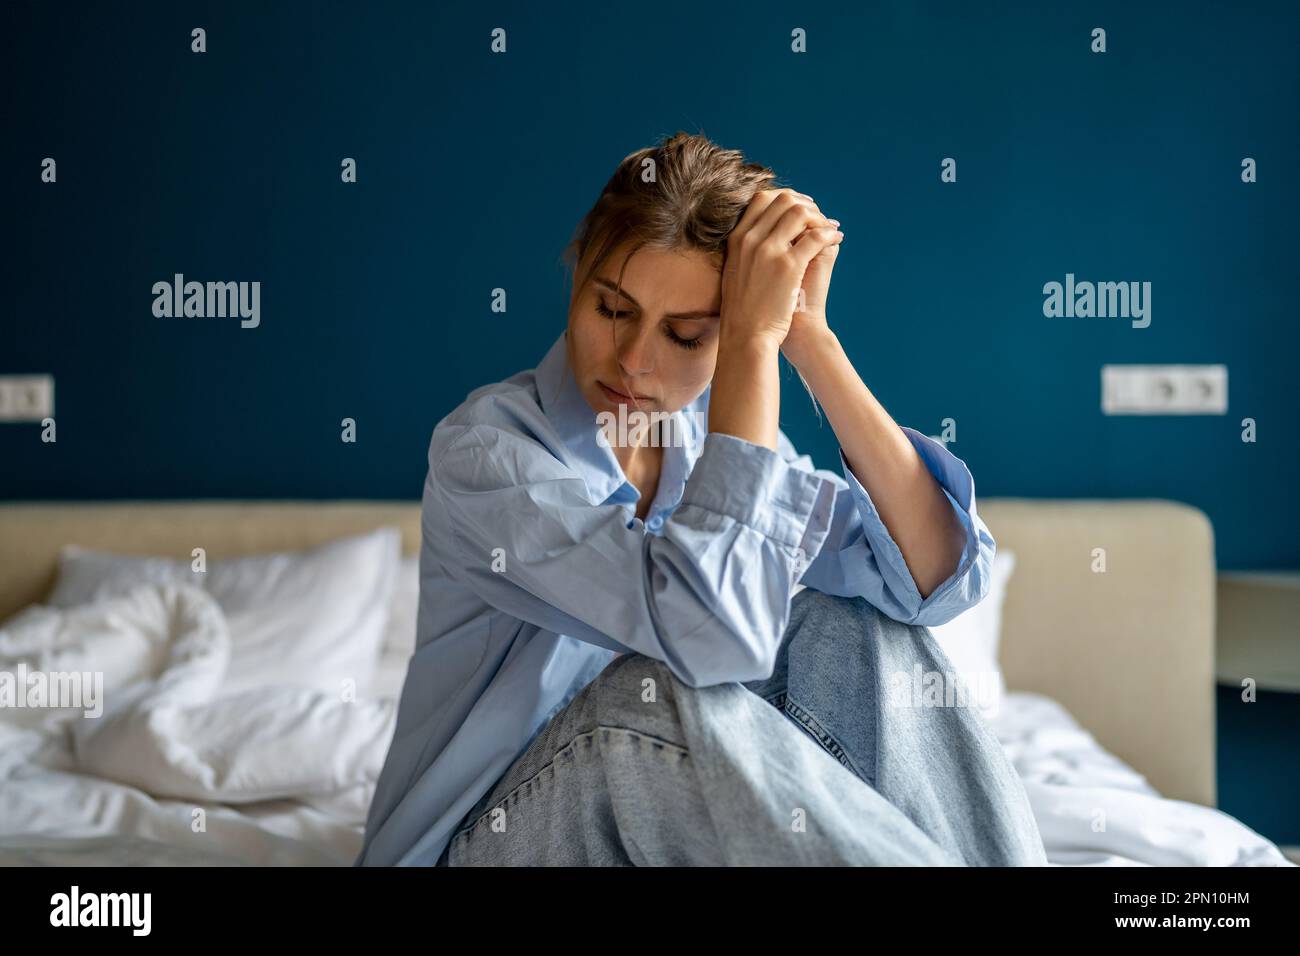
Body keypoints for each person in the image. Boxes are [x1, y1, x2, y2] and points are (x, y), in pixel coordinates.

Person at [355, 132, 1046, 867]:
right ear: (578, 270)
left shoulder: (718, 454)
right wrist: (747, 350)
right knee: (653, 694)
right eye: (613, 310)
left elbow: (931, 575)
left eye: (687, 335)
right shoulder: (488, 453)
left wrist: (807, 338)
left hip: (642, 833)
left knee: (853, 625)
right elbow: (712, 636)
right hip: (482, 846)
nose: (634, 361)